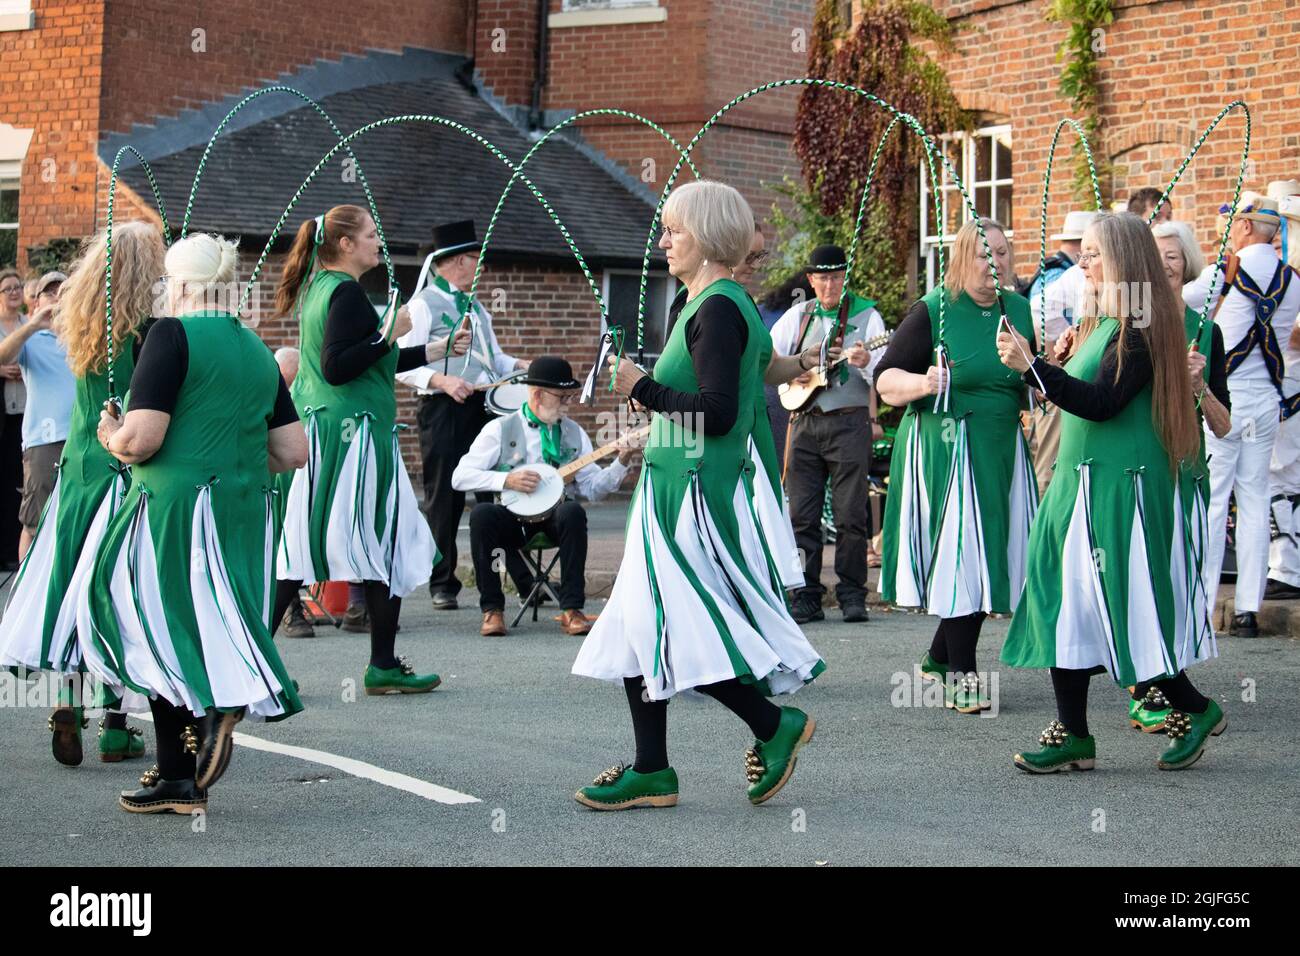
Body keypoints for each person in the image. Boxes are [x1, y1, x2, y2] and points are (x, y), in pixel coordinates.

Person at [571, 180, 825, 811]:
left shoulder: (714, 308)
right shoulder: (718, 303)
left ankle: (773, 725)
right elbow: (757, 367)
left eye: (673, 230)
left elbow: (714, 410)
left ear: (707, 237)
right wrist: (649, 425)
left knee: (681, 626)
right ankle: (652, 767)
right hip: (676, 479)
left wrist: (639, 385)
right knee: (640, 625)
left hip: (688, 495)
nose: (664, 241)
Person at [84, 234, 307, 813]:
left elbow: (141, 439)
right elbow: (292, 452)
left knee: (152, 626)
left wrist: (110, 434)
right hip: (244, 509)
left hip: (174, 508)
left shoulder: (171, 334)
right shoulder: (256, 347)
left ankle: (203, 732)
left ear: (179, 285)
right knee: (206, 622)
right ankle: (179, 776)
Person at [999, 212, 1223, 773]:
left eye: (1095, 253)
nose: (1083, 261)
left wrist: (1031, 369)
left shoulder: (1144, 328)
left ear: (1122, 260)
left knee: (1124, 607)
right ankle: (1073, 732)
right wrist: (1048, 363)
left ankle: (1191, 708)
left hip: (1119, 488)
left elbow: (1104, 403)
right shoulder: (1102, 323)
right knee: (1066, 605)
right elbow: (1079, 396)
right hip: (1079, 482)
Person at [272, 205, 468, 695]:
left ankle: (381, 662)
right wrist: (391, 331)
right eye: (370, 234)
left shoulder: (323, 289)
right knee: (352, 541)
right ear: (345, 245)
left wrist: (436, 348)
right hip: (351, 436)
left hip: (335, 429)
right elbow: (339, 366)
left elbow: (370, 360)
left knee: (364, 541)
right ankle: (261, 660)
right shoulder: (345, 293)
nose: (378, 241)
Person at [0, 223, 164, 767]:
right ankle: (115, 726)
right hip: (120, 463)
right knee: (117, 592)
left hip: (76, 469)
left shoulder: (79, 319)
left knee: (71, 582)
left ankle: (67, 701)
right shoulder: (146, 328)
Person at [876, 217, 1038, 715]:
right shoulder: (934, 311)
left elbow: (1032, 387)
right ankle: (963, 674)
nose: (995, 265)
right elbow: (884, 381)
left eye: (1004, 254)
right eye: (984, 255)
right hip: (945, 451)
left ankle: (939, 658)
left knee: (987, 554)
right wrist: (925, 384)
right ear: (962, 259)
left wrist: (1041, 372)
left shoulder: (1020, 310)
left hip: (1002, 449)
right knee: (964, 555)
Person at [1121, 219, 1231, 733]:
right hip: (1134, 468)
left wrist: (1199, 386)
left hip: (1182, 470)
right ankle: (1150, 686)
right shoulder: (1128, 320)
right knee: (1137, 575)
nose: (1164, 262)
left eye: (1173, 255)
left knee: (1169, 578)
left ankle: (1160, 686)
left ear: (1187, 264)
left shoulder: (1207, 330)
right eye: (1155, 253)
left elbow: (1224, 424)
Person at [453, 355, 637, 637]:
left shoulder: (574, 434)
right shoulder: (500, 429)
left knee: (573, 511)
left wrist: (621, 459)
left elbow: (592, 488)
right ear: (537, 394)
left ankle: (572, 610)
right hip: (512, 522)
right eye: (562, 397)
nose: (568, 403)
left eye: (570, 396)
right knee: (482, 515)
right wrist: (507, 479)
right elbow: (460, 476)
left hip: (553, 520)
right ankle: (492, 610)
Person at [395, 219, 527, 611]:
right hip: (444, 409)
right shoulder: (421, 305)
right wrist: (442, 381)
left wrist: (524, 365)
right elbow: (401, 364)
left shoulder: (477, 307)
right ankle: (443, 582)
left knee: (493, 493)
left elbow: (493, 358)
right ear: (455, 262)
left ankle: (512, 578)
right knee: (446, 497)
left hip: (483, 406)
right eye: (475, 259)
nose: (479, 266)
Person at [1186, 196, 1300, 636]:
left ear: (1249, 227)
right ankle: (1247, 609)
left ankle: (1201, 601)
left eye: (1236, 223)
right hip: (1267, 401)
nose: (1232, 229)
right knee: (1255, 498)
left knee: (1216, 498)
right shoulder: (1292, 280)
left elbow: (1181, 299)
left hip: (1224, 400)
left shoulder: (1226, 271)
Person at [770, 244, 886, 624]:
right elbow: (769, 362)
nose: (830, 285)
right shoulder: (796, 316)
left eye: (837, 277)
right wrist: (794, 371)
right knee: (801, 514)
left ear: (844, 278)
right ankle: (806, 593)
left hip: (849, 421)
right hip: (804, 421)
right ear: (811, 280)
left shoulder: (868, 318)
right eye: (823, 278)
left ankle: (853, 594)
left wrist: (867, 362)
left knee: (851, 512)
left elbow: (884, 378)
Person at [0, 271, 75, 562]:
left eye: (63, 291)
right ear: (38, 300)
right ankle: (23, 595)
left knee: (71, 518)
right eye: (49, 292)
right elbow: (3, 357)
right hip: (44, 440)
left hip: (82, 438)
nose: (56, 297)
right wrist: (32, 325)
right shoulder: (32, 338)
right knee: (34, 522)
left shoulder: (84, 336)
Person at [1025, 210, 1099, 494]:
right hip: (1068, 380)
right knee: (1053, 464)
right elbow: (1039, 312)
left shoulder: (1068, 271)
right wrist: (1060, 358)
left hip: (1078, 380)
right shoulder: (1063, 272)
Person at [1265, 182, 1300, 599]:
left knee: (1282, 472)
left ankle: (1288, 568)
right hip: (1281, 380)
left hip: (1289, 382)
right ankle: (1285, 566)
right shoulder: (1276, 273)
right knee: (1281, 473)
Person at [269, 346, 316, 639]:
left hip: (298, 475)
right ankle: (290, 608)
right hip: (273, 481)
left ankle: (358, 605)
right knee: (282, 540)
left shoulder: (307, 397)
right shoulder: (267, 394)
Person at [0, 268, 26, 568]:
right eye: (7, 288)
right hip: (3, 415)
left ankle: (12, 552)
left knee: (17, 485)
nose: (14, 292)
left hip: (24, 416)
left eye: (17, 286)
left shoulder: (28, 323)